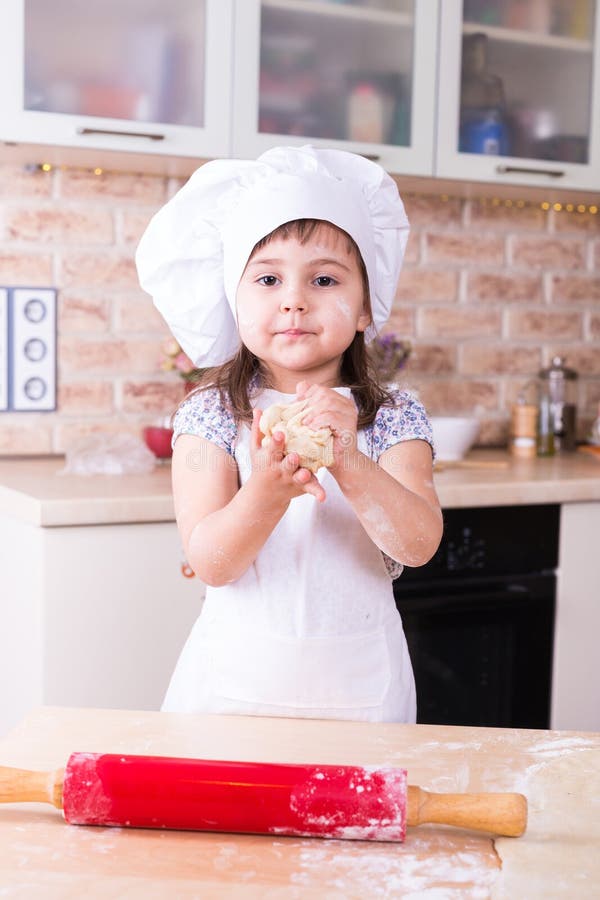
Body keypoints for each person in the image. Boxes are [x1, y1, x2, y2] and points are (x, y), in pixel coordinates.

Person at [136, 145, 443, 723]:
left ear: (365, 307)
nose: (295, 300)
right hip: (229, 695)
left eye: (324, 279)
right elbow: (213, 563)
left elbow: (418, 544)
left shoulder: (392, 414)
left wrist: (348, 457)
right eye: (268, 279)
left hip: (362, 697)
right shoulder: (211, 413)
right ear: (235, 299)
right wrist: (268, 491)